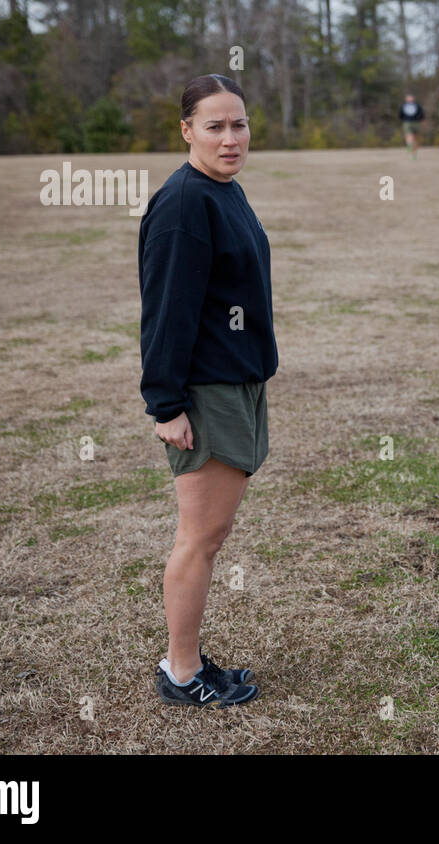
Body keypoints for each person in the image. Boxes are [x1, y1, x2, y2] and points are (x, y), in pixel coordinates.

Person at [139, 73, 272, 708]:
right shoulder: (184, 203)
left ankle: (186, 660)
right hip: (206, 390)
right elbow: (166, 309)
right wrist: (166, 405)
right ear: (187, 129)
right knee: (201, 537)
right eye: (214, 126)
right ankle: (182, 673)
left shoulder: (225, 190)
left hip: (237, 379)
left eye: (238, 124)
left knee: (208, 535)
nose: (230, 138)